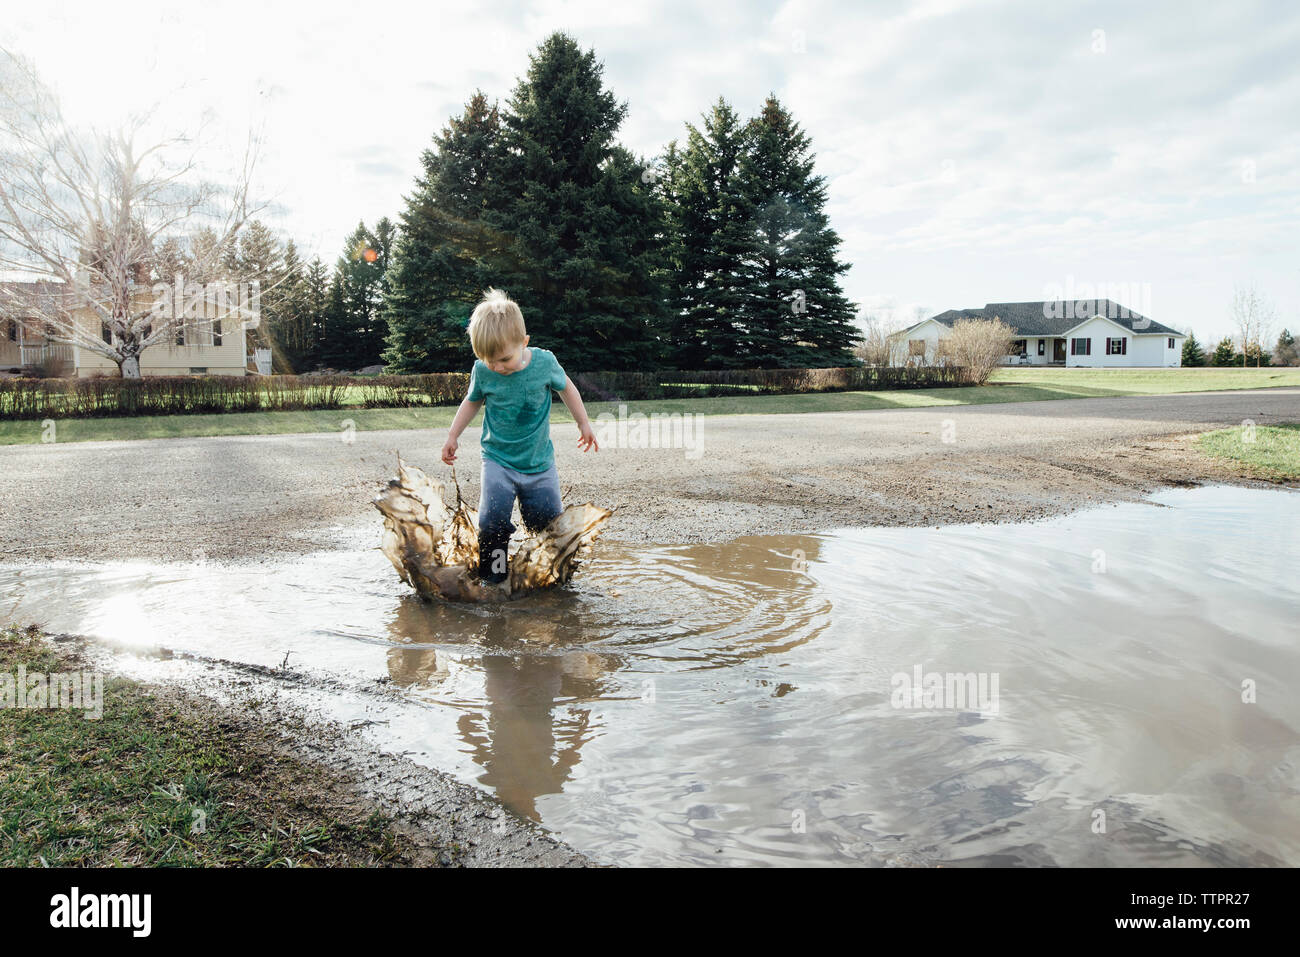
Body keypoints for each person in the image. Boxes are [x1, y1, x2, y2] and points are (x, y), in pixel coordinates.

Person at [441, 288, 599, 584]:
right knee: (492, 522)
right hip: (498, 461)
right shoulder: (484, 370)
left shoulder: (544, 363)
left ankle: (553, 578)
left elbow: (567, 388)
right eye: (489, 361)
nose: (497, 368)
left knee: (549, 523)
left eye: (503, 359)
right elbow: (472, 400)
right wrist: (453, 435)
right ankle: (494, 576)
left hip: (539, 464)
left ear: (524, 343)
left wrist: (584, 424)